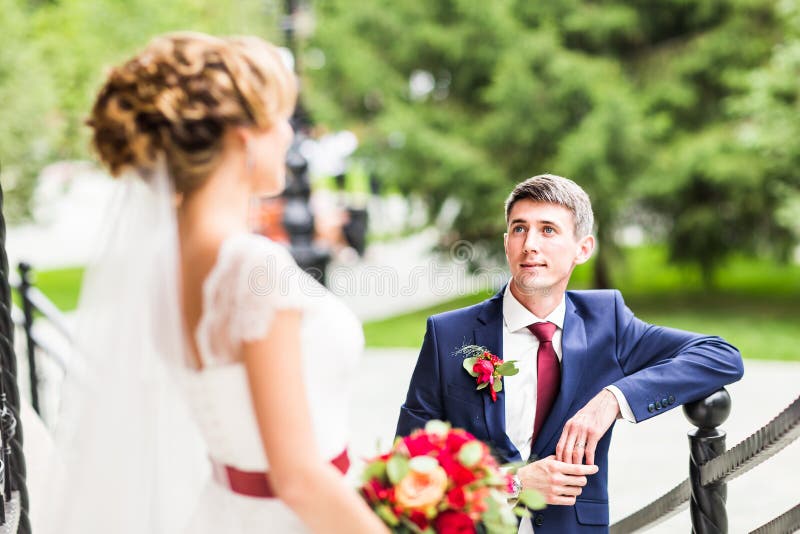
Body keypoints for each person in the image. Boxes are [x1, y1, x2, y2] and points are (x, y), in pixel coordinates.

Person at [43, 32, 388, 534]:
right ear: (243, 135)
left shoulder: (171, 258)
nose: (290, 137)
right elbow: (298, 478)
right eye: (282, 121)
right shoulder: (250, 269)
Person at [395, 174, 744, 533]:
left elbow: (720, 355)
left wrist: (612, 399)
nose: (530, 243)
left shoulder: (607, 321)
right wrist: (514, 485)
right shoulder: (448, 334)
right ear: (506, 243)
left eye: (548, 230)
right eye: (519, 229)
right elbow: (406, 465)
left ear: (583, 248)